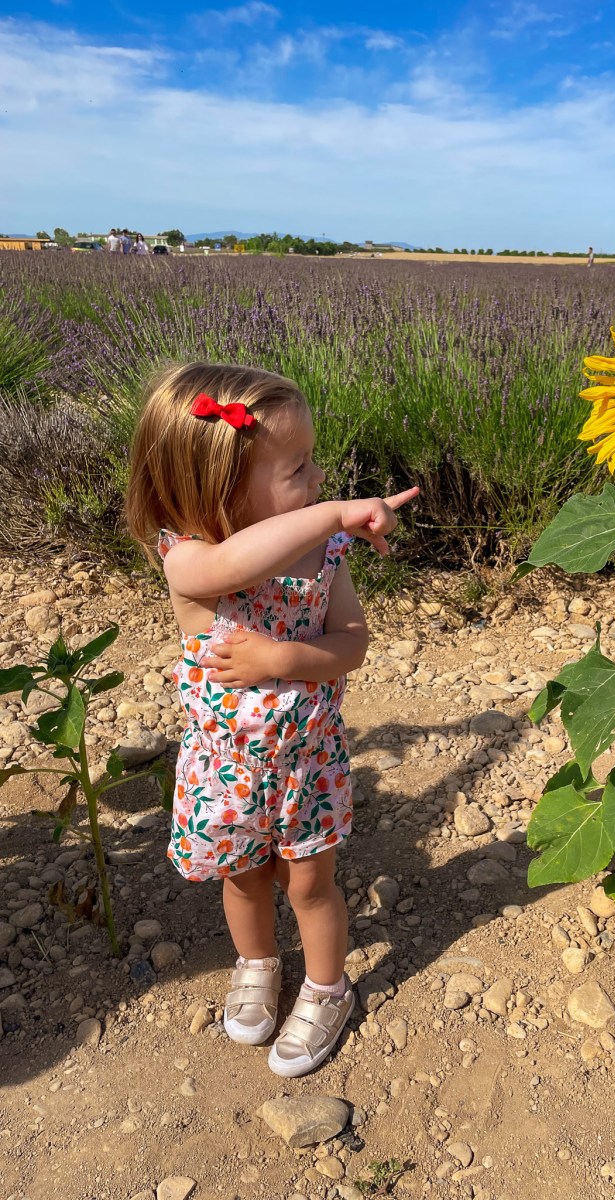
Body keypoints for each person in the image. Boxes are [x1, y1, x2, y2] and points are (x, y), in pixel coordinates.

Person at [125, 363, 418, 1077]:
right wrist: (337, 510)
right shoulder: (189, 560)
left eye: (314, 466)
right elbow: (231, 563)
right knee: (245, 881)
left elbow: (352, 643)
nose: (319, 480)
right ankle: (257, 963)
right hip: (224, 773)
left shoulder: (323, 555)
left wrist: (284, 655)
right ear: (220, 488)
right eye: (298, 468)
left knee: (310, 885)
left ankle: (326, 986)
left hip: (306, 765)